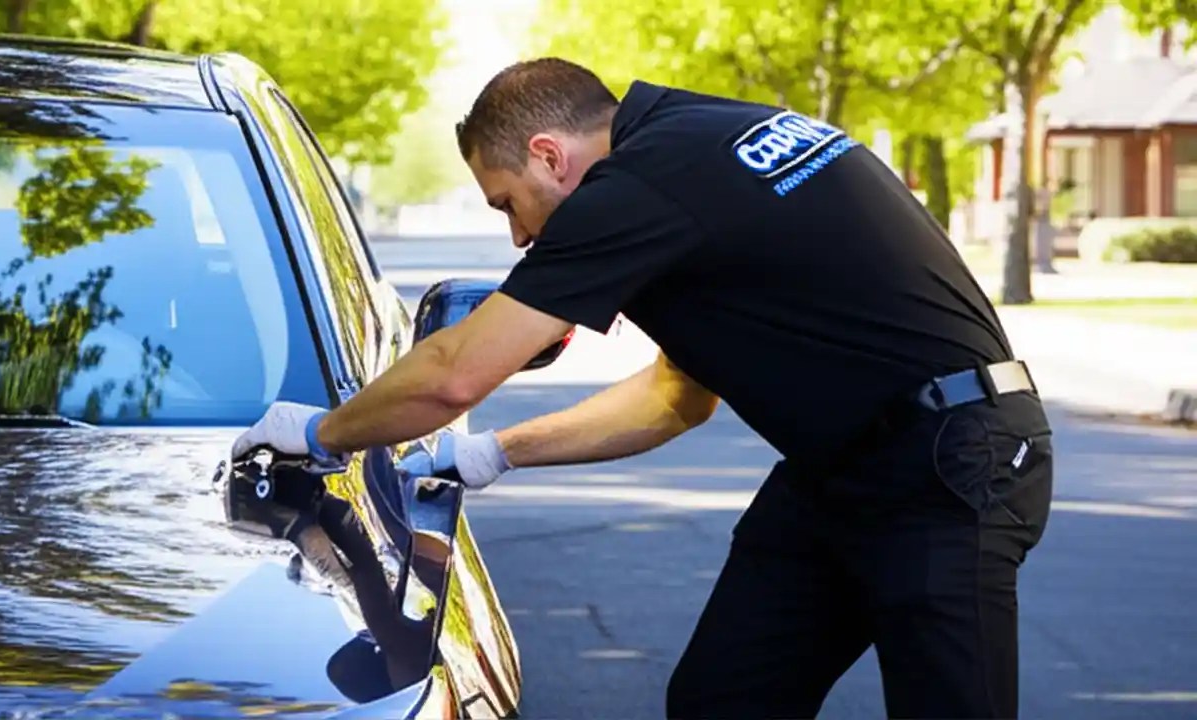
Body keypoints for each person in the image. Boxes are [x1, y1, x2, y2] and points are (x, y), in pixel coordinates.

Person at [232, 58, 1054, 719]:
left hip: (954, 461)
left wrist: (317, 434)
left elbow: (455, 372)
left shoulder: (636, 187)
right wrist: (491, 452)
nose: (518, 234)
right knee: (723, 699)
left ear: (550, 156)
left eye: (509, 203)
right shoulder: (696, 138)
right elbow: (677, 397)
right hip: (842, 470)